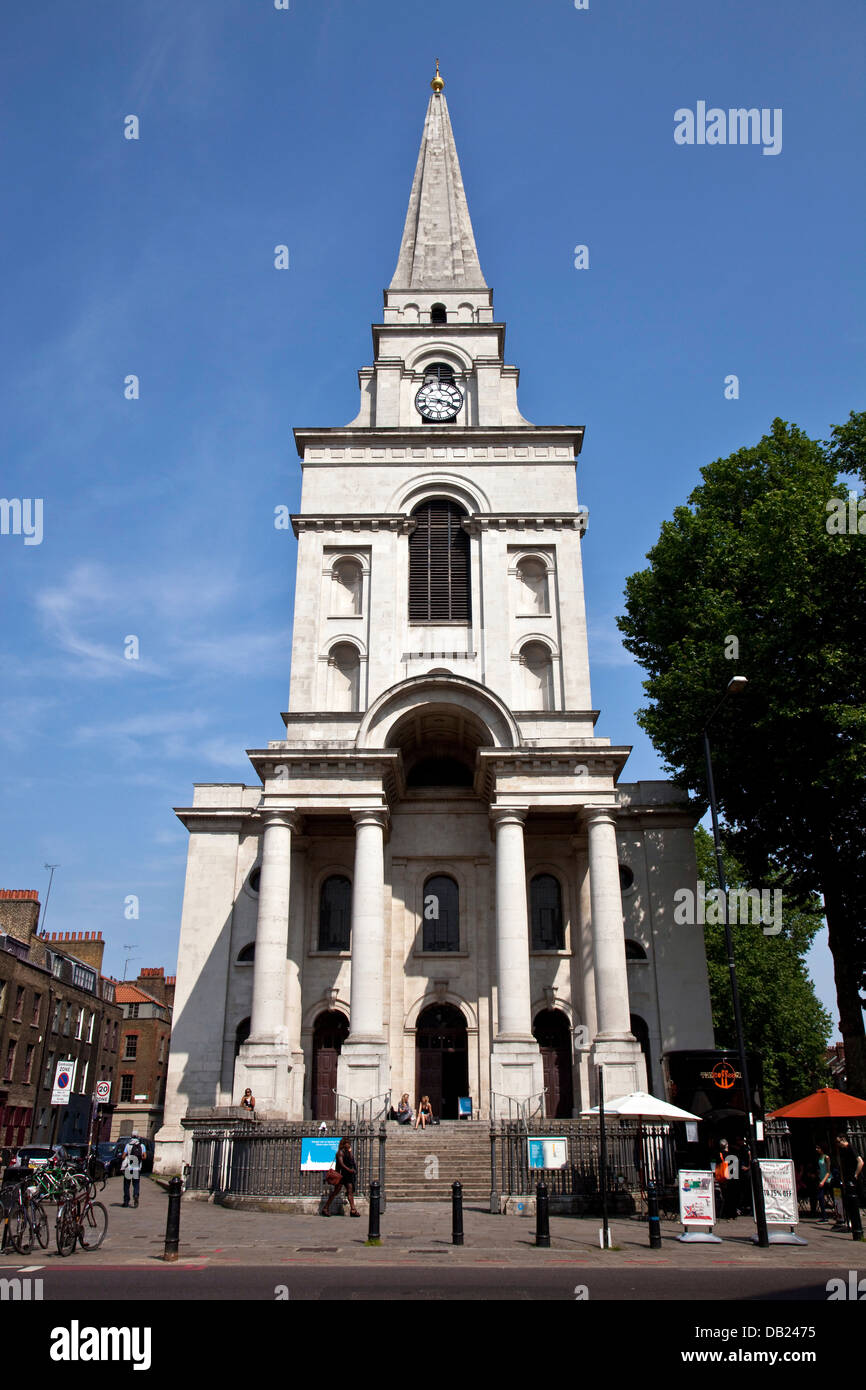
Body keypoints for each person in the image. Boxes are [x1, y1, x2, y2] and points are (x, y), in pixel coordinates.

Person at [322, 1138, 360, 1217]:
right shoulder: (340, 1153)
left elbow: (351, 1161)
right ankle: (325, 1208)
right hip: (341, 1175)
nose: (349, 1145)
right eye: (347, 1143)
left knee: (350, 1191)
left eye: (349, 1143)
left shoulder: (348, 1152)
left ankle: (353, 1209)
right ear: (343, 1144)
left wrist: (350, 1153)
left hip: (347, 1175)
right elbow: (342, 1164)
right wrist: (349, 1170)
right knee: (336, 1191)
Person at [834, 1135, 864, 1228]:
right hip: (848, 1178)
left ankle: (856, 1225)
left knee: (857, 1199)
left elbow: (861, 1162)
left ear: (843, 1140)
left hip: (854, 1179)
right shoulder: (843, 1150)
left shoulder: (851, 1147)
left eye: (839, 1142)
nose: (838, 1145)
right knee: (849, 1200)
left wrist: (856, 1174)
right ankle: (852, 1222)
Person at [121, 1134, 143, 1208]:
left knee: (126, 1186)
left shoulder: (127, 1145)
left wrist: (127, 1157)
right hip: (137, 1169)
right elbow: (145, 1156)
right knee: (136, 1184)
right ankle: (136, 1195)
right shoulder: (142, 1146)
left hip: (128, 1169)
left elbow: (123, 1156)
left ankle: (126, 1201)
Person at [815, 1144, 831, 1221]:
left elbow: (828, 1171)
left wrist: (823, 1181)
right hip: (821, 1178)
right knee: (820, 1197)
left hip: (827, 1180)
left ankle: (839, 1214)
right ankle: (824, 1216)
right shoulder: (820, 1157)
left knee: (833, 1197)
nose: (816, 1149)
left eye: (818, 1148)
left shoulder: (826, 1157)